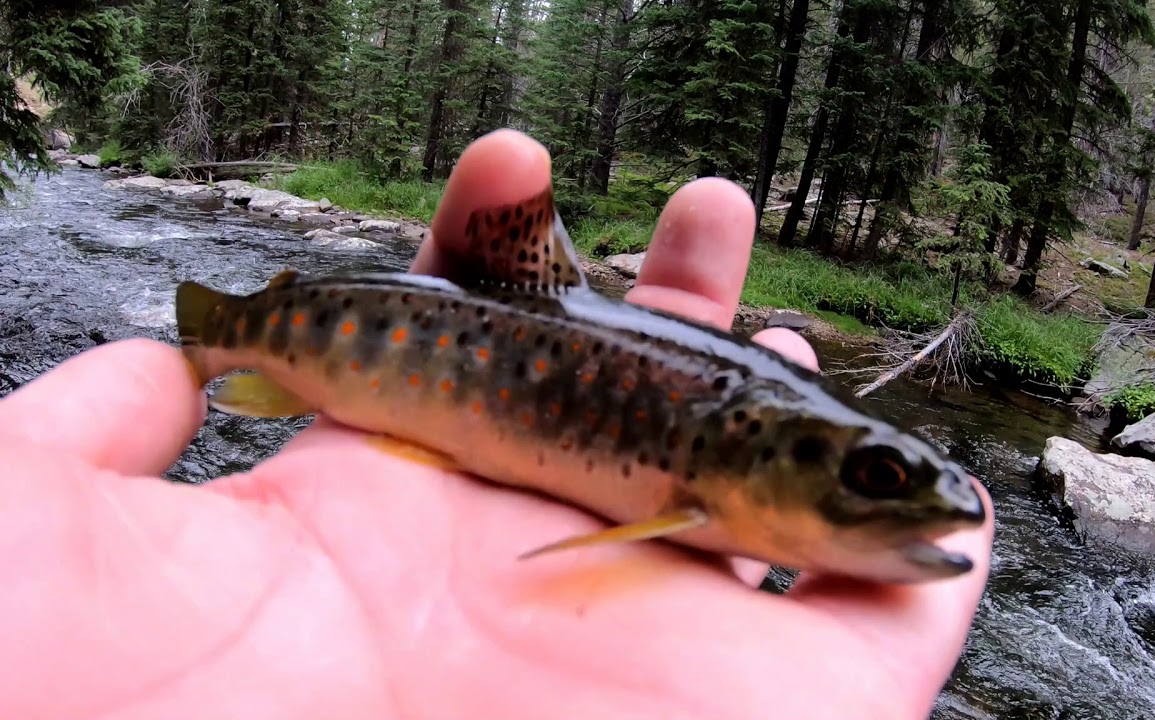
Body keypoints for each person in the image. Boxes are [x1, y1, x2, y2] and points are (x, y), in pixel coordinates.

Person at [0, 129, 993, 719]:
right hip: (342, 331)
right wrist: (219, 344)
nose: (900, 502)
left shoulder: (721, 474)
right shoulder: (700, 478)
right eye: (874, 477)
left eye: (877, 481)